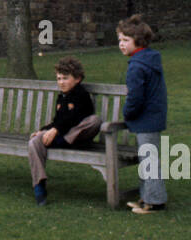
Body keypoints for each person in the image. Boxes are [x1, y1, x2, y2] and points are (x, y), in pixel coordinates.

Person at [27, 56, 102, 206]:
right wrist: (43, 130)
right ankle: (39, 184)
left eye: (65, 78)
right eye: (59, 78)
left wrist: (55, 130)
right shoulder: (62, 97)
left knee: (94, 120)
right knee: (34, 142)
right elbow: (58, 120)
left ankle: (63, 140)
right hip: (63, 135)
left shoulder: (82, 95)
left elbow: (75, 118)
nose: (61, 82)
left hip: (78, 137)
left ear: (78, 79)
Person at [118, 13, 168, 214]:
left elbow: (135, 98)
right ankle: (146, 197)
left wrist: (127, 113)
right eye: (119, 40)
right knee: (146, 158)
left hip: (146, 119)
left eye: (125, 40)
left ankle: (154, 202)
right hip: (152, 118)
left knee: (149, 161)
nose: (121, 44)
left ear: (138, 41)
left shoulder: (137, 66)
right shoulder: (148, 59)